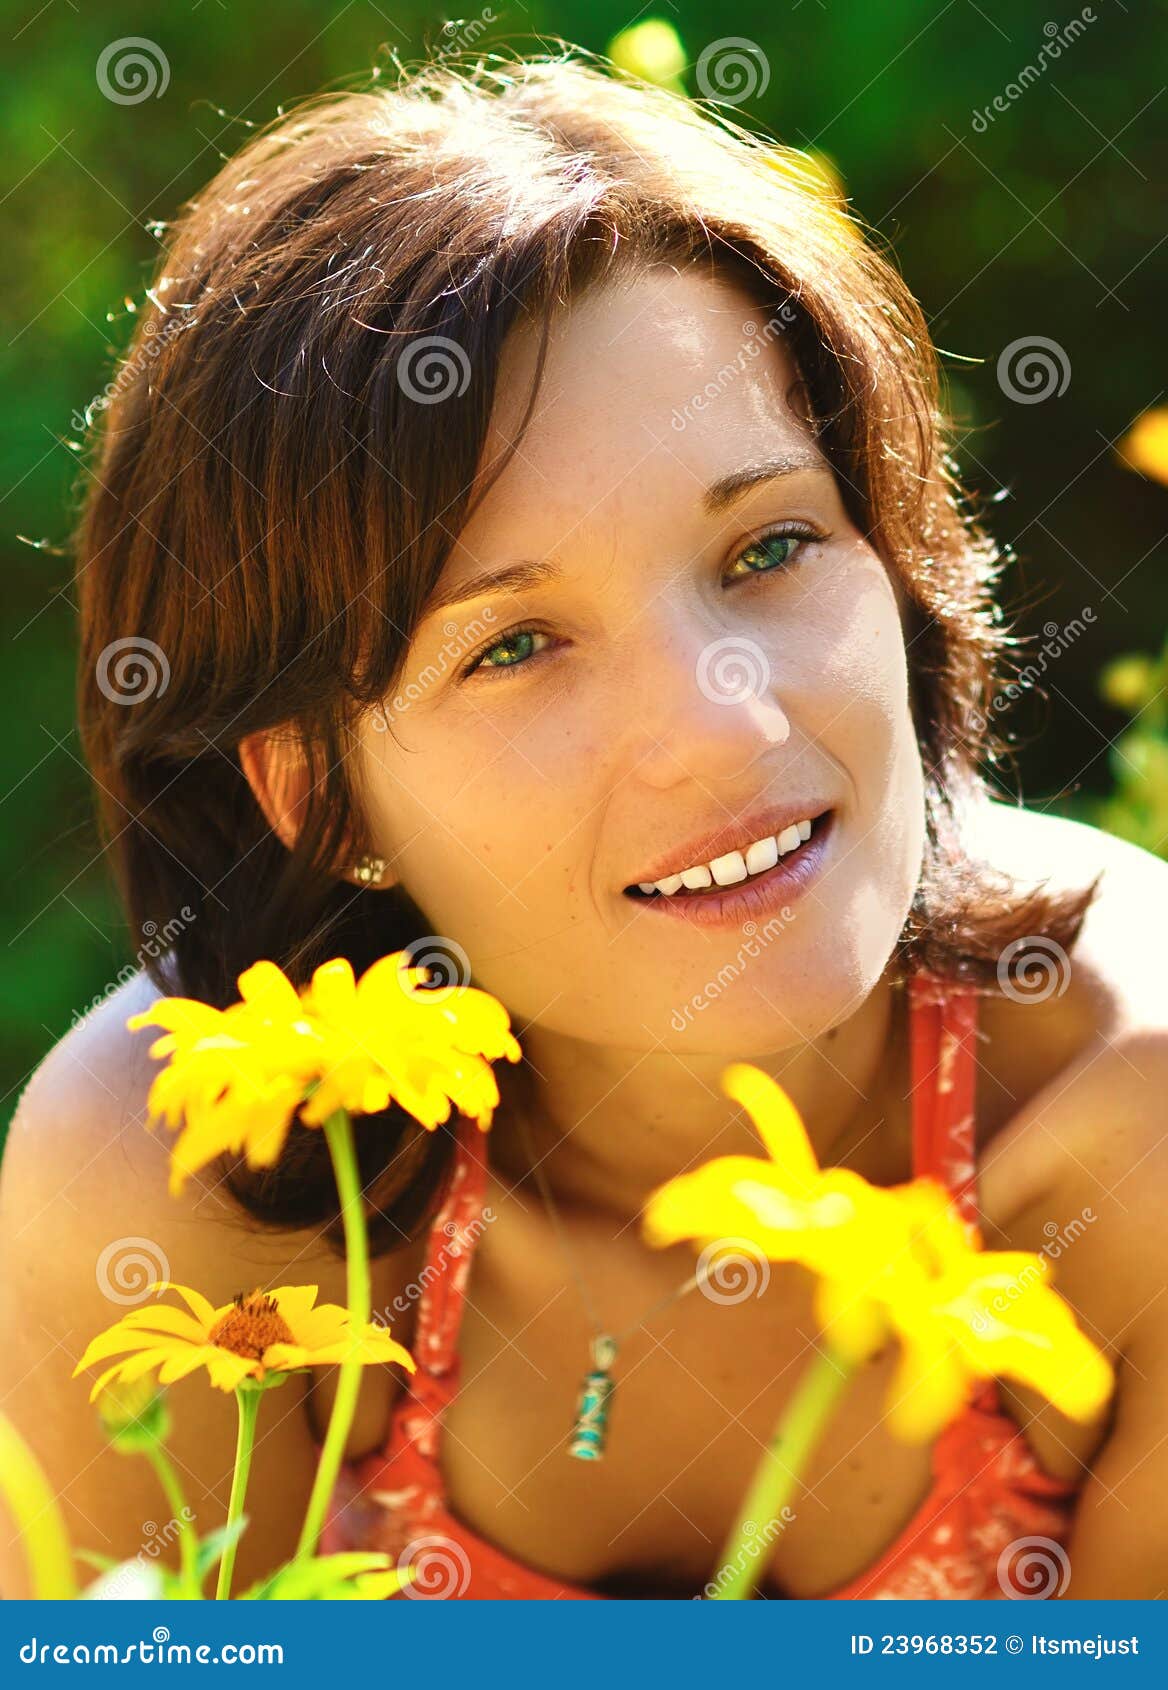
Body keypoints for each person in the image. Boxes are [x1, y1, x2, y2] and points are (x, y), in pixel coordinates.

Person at [2, 50, 1166, 1601]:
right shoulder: (191, 1184)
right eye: (514, 644)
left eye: (768, 547)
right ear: (313, 793)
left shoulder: (1129, 1137)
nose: (729, 725)